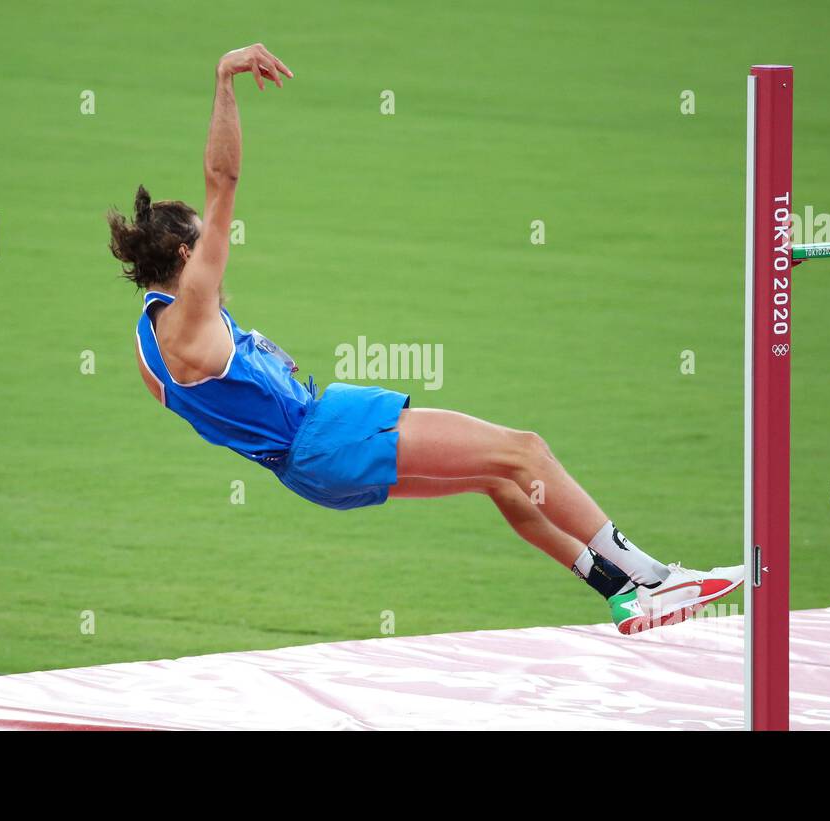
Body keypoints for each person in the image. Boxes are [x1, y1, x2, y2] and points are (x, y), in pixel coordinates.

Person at [109, 44, 742, 634]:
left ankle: (618, 594)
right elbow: (222, 182)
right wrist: (225, 78)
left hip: (310, 466)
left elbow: (212, 396)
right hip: (325, 434)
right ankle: (654, 578)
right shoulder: (195, 303)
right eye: (207, 240)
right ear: (189, 254)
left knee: (501, 481)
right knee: (525, 452)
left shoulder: (149, 342)